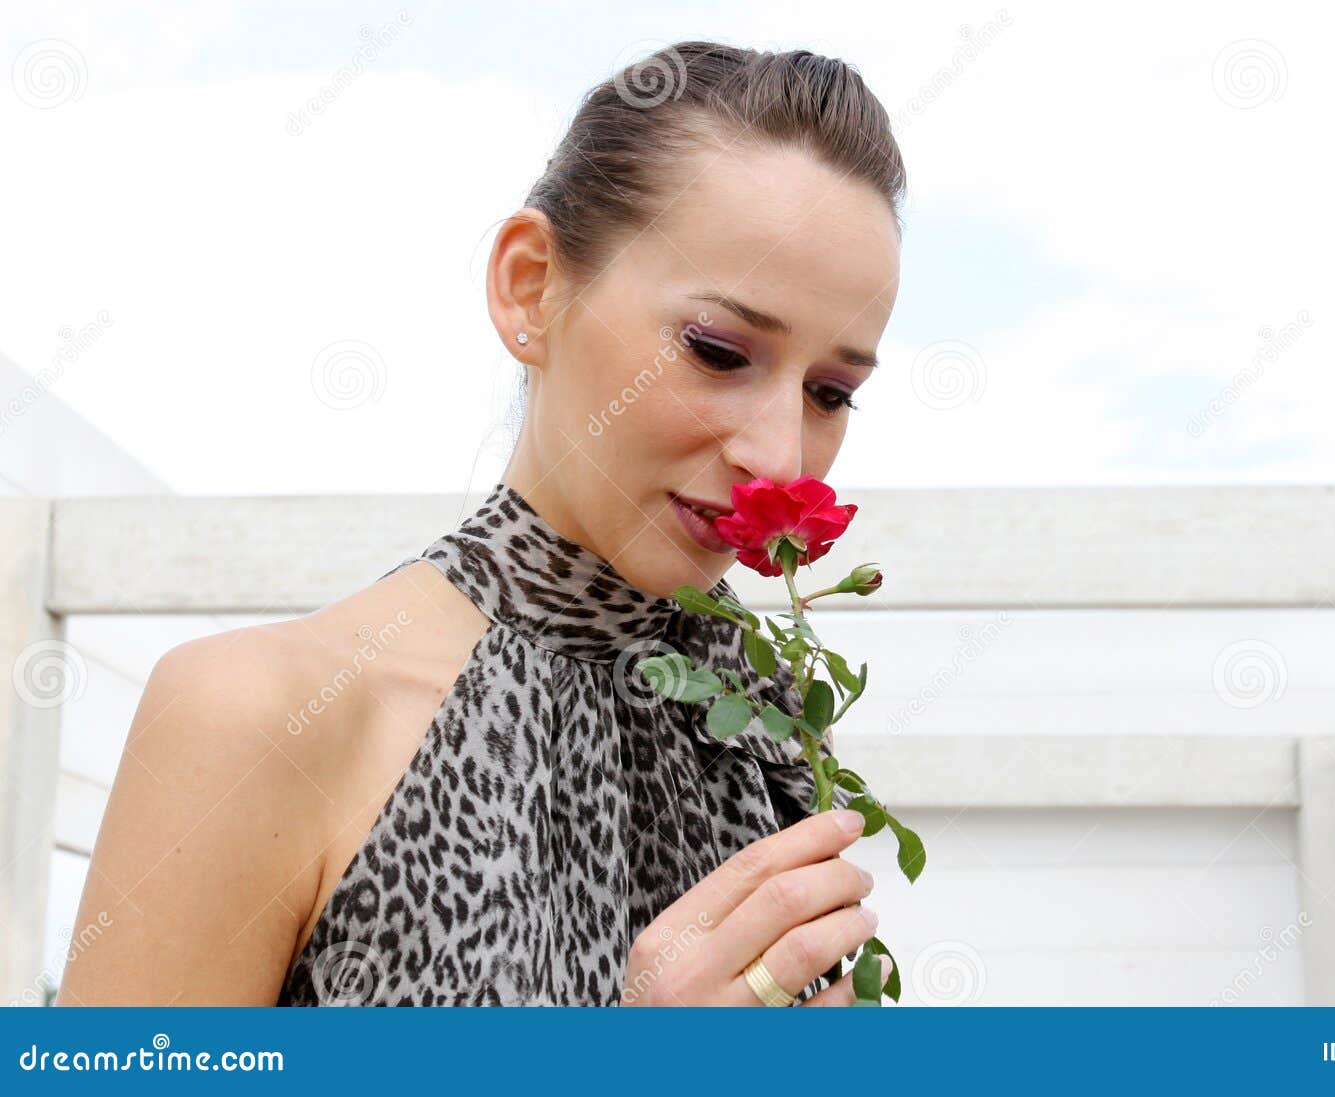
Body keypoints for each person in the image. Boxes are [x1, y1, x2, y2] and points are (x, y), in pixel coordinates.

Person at [56, 40, 904, 1006]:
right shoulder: (257, 716)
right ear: (530, 285)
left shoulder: (768, 725)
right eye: (717, 350)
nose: (781, 456)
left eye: (832, 392)